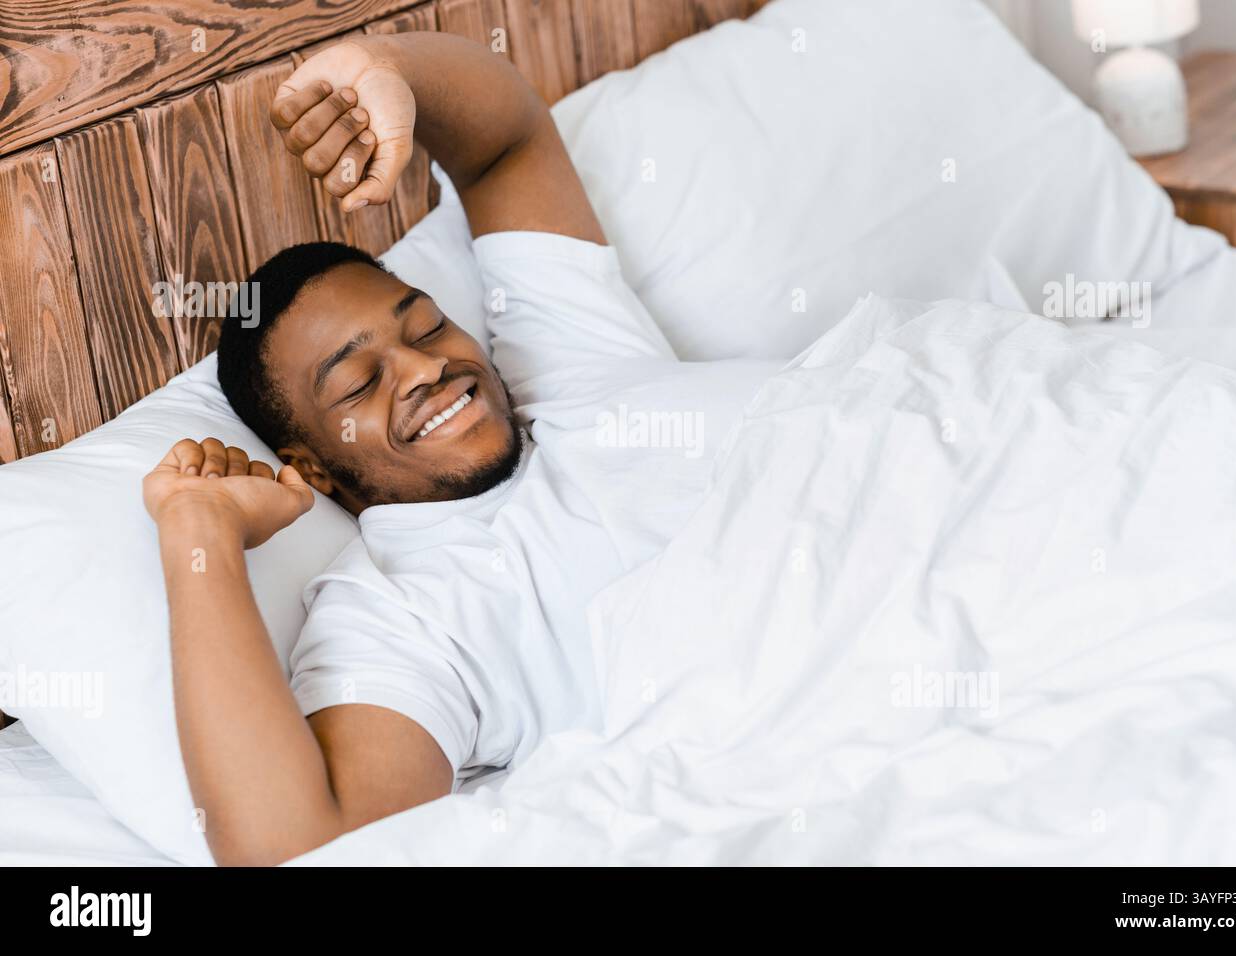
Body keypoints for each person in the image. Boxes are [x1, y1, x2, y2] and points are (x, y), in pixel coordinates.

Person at [142, 31, 776, 865]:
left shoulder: (569, 361)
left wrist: (388, 71)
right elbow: (295, 848)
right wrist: (200, 537)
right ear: (316, 470)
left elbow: (505, 143)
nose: (425, 368)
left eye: (426, 324)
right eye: (359, 384)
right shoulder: (404, 612)